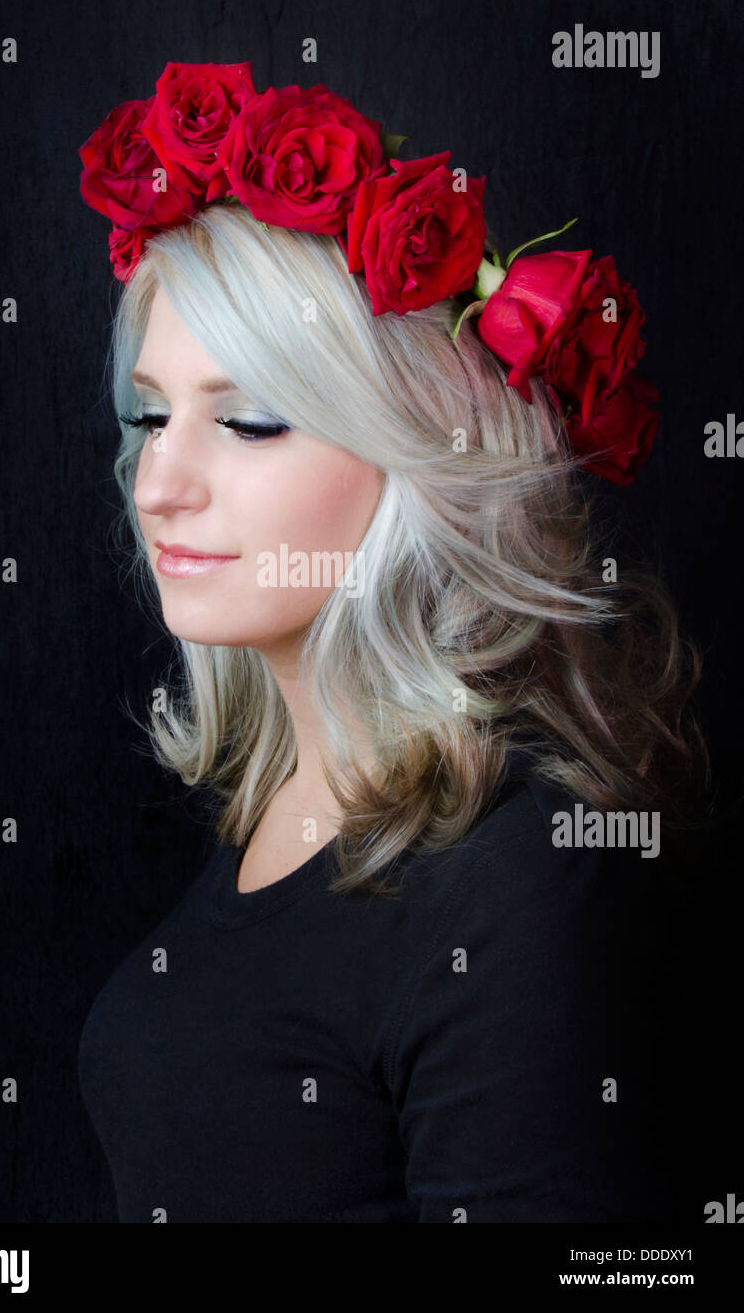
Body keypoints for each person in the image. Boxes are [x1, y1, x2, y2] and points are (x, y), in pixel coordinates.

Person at [75, 63, 711, 1222]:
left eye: (250, 420)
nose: (159, 482)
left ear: (415, 456)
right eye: (150, 415)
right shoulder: (285, 797)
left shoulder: (521, 882)